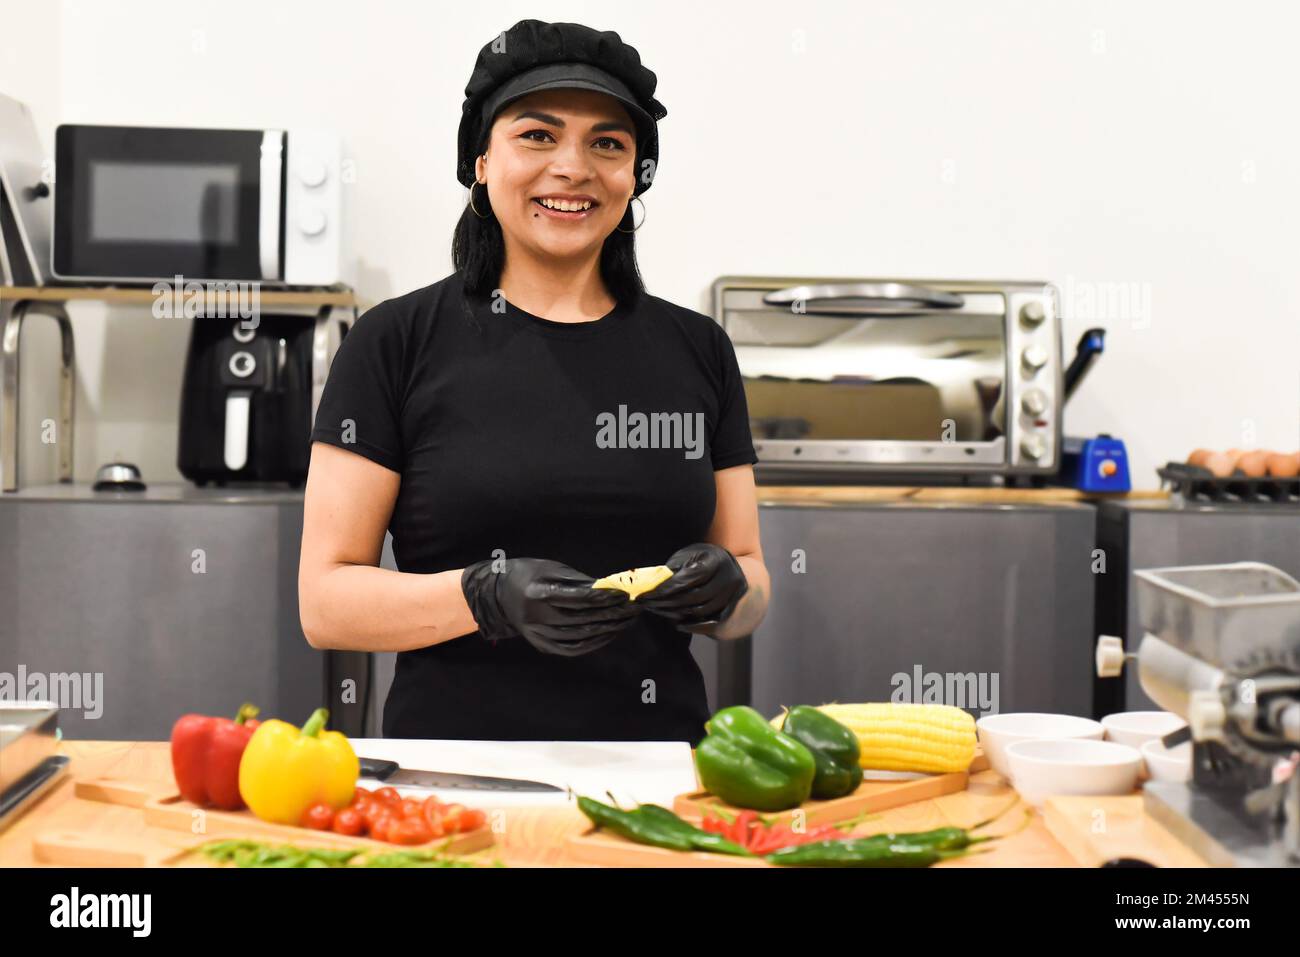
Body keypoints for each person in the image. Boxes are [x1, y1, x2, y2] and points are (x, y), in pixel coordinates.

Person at [299, 19, 770, 744]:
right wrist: (481, 595)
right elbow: (325, 603)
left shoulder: (699, 349)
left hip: (664, 772)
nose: (573, 168)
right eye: (538, 135)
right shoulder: (393, 342)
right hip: (453, 776)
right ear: (482, 162)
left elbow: (750, 582)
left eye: (607, 143)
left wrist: (730, 592)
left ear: (634, 174)